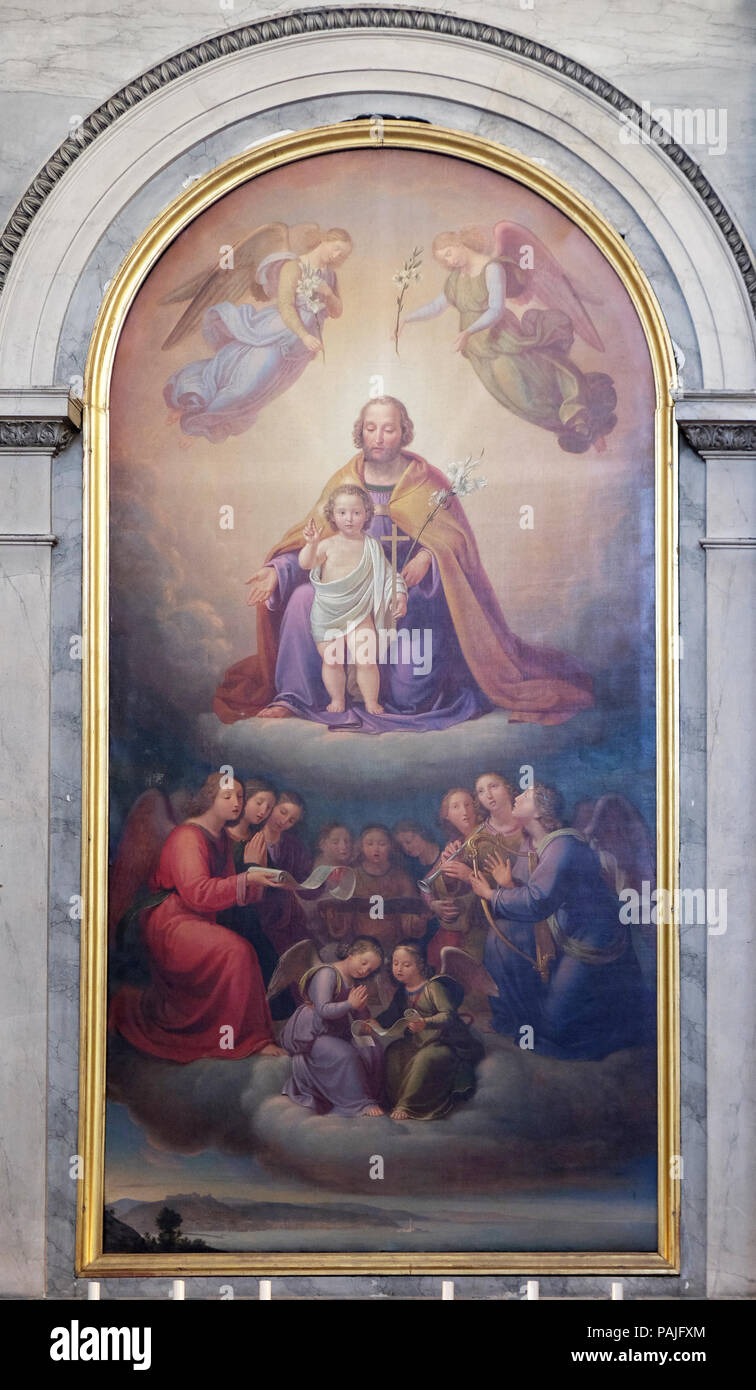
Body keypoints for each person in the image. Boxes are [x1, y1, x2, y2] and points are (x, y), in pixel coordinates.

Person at [213, 395, 594, 730]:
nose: (379, 437)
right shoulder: (346, 479)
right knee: (300, 600)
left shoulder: (426, 480)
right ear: (360, 433)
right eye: (371, 428)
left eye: (389, 429)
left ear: (404, 433)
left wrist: (429, 556)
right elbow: (314, 538)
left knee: (413, 696)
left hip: (409, 589)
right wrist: (276, 570)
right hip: (347, 586)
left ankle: (394, 696)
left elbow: (456, 540)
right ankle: (295, 696)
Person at [461, 782, 654, 1060]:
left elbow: (537, 900)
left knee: (556, 1028)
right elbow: (532, 892)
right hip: (569, 934)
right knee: (502, 938)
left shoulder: (563, 846)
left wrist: (491, 893)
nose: (516, 797)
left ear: (539, 812)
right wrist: (507, 884)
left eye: (525, 796)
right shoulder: (539, 844)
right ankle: (516, 1017)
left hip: (594, 941)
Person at [109, 773, 289, 1061]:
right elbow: (197, 892)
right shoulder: (187, 836)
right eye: (227, 796)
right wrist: (248, 876)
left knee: (242, 950)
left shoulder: (220, 840)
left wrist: (257, 872)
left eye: (240, 797)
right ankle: (246, 1040)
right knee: (237, 952)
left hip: (197, 919)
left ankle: (240, 1036)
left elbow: (232, 895)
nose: (236, 803)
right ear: (210, 798)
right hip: (170, 921)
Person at [403, 228, 617, 453]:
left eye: (448, 253)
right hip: (480, 351)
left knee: (534, 388)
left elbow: (496, 310)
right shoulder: (457, 278)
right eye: (444, 259)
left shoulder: (492, 268)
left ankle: (582, 420)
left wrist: (468, 332)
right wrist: (407, 319)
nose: (449, 261)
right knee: (518, 402)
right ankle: (579, 429)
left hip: (503, 338)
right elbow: (437, 306)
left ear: (458, 243)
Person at [163, 227, 352, 442]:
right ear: (325, 240)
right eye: (336, 249)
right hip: (276, 335)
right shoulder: (294, 267)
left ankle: (198, 421)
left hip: (298, 352)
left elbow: (337, 312)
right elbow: (285, 306)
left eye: (342, 255)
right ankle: (193, 411)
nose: (337, 257)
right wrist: (304, 335)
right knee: (242, 387)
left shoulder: (330, 276)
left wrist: (328, 293)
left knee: (258, 395)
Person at [298, 482, 407, 714]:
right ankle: (337, 699)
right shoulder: (326, 545)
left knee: (366, 660)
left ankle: (370, 702)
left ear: (366, 514)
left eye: (356, 512)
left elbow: (388, 576)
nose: (349, 518)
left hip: (359, 614)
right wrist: (311, 544)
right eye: (342, 512)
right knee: (332, 660)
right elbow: (306, 564)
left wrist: (399, 595)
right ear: (333, 516)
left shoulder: (371, 547)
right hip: (327, 615)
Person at [372, 940, 484, 1120]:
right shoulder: (403, 991)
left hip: (443, 1043)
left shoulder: (433, 987)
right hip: (417, 1041)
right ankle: (394, 1100)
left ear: (421, 966)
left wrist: (426, 1022)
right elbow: (391, 1015)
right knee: (393, 1052)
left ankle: (407, 1105)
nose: (399, 968)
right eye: (395, 963)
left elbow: (448, 1016)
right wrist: (373, 1023)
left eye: (406, 965)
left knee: (424, 1059)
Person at [281, 937, 386, 1117]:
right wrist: (351, 1005)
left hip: (339, 1031)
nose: (364, 970)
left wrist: (366, 1019)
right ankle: (357, 1104)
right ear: (352, 954)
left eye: (370, 969)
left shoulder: (355, 981)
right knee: (347, 1055)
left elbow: (358, 1014)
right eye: (363, 963)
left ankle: (371, 1097)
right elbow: (323, 1010)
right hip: (315, 1034)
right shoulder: (327, 974)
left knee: (372, 1047)